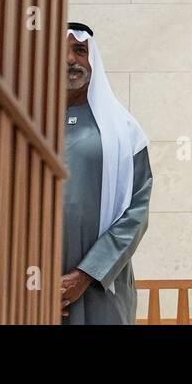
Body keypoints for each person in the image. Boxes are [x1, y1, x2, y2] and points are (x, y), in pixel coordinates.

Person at [60, 22, 152, 324]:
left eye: (80, 51)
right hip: (36, 283)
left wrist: (86, 273)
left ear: (93, 60)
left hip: (102, 285)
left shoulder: (124, 131)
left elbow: (137, 211)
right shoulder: (24, 127)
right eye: (61, 52)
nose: (71, 60)